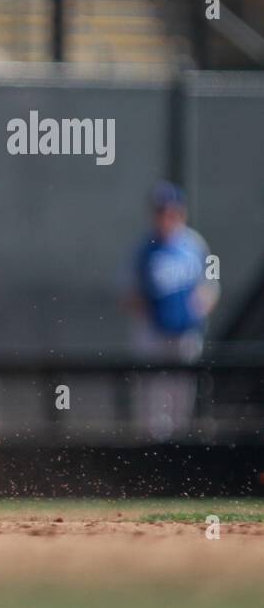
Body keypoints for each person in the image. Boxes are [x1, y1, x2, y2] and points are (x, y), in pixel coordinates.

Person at [124, 182, 218, 440]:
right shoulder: (144, 248)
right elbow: (129, 292)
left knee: (183, 394)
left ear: (181, 212)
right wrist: (152, 318)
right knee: (151, 398)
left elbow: (211, 285)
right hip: (153, 333)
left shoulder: (195, 244)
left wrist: (197, 311)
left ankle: (179, 447)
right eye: (162, 211)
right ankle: (151, 450)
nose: (167, 216)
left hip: (186, 332)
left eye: (172, 211)